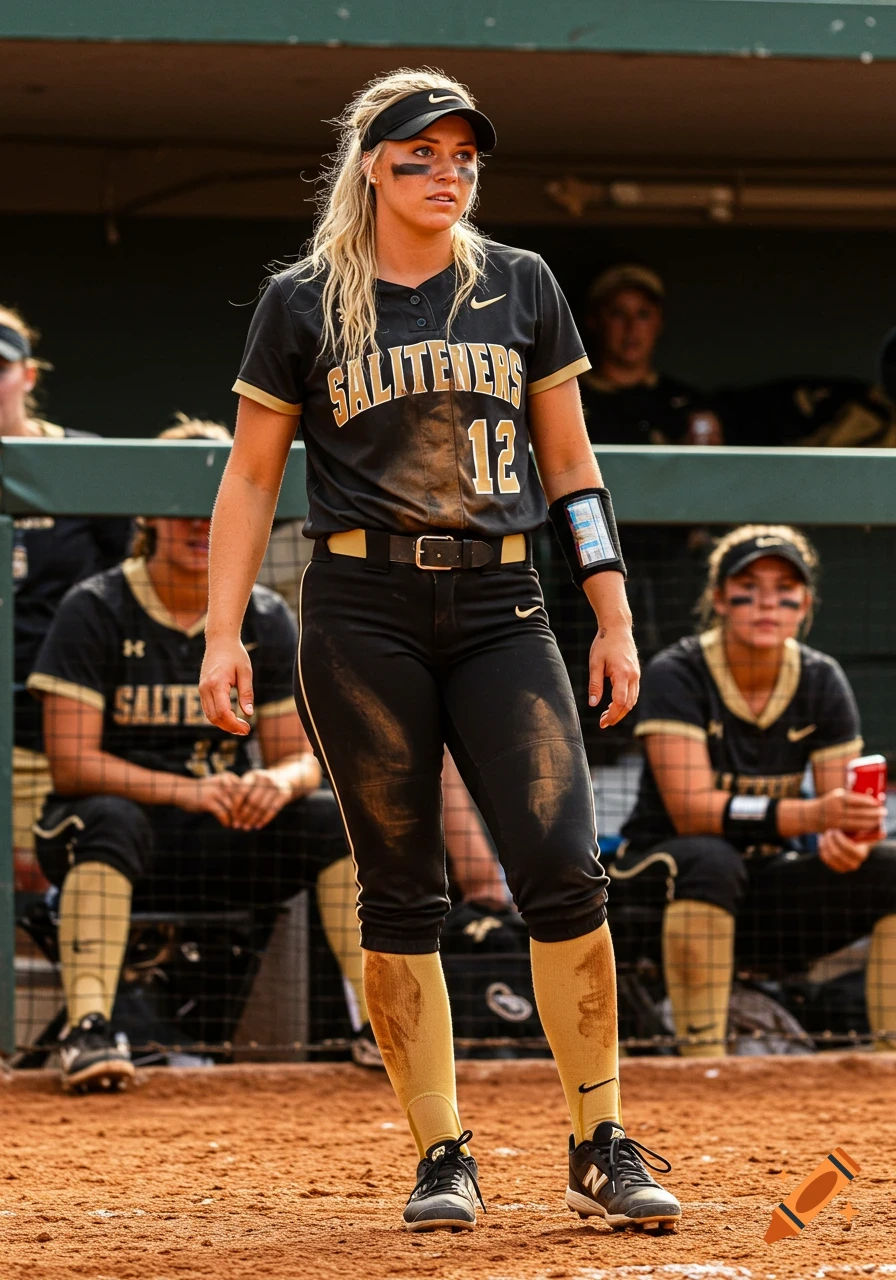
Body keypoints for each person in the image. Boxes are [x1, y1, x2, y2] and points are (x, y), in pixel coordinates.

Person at [199, 69, 680, 1234]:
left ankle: (597, 1135)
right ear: (372, 164)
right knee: (398, 887)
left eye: (462, 155)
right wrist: (223, 630)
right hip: (358, 608)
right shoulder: (305, 298)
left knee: (564, 863)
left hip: (502, 601)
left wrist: (610, 611)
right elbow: (252, 475)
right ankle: (439, 1151)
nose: (445, 173)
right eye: (419, 154)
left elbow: (572, 469)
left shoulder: (520, 283)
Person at [26, 420, 362, 1092]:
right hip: (113, 840)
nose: (202, 523)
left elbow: (302, 759)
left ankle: (380, 1024)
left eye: (218, 506)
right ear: (150, 512)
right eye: (184, 506)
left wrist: (278, 780)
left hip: (221, 838)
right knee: (107, 818)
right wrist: (187, 792)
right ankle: (89, 1032)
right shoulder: (94, 607)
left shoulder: (264, 617)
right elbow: (69, 763)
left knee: (332, 819)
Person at [611, 524, 896, 1055]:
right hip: (656, 888)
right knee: (710, 857)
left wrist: (849, 837)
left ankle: (889, 1061)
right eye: (750, 585)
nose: (768, 602)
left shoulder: (822, 678)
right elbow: (692, 811)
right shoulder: (678, 672)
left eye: (785, 588)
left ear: (805, 603)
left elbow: (843, 813)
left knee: (889, 866)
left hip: (763, 894)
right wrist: (814, 818)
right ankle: (702, 1062)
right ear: (719, 598)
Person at [0, 305, 130, 888]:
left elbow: (126, 585)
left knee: (70, 866)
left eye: (1, 367)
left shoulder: (86, 461)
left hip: (66, 722)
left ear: (28, 375)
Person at [578, 265, 723, 446]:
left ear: (659, 322)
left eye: (643, 314)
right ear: (594, 321)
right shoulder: (568, 402)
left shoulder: (689, 406)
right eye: (618, 313)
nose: (631, 327)